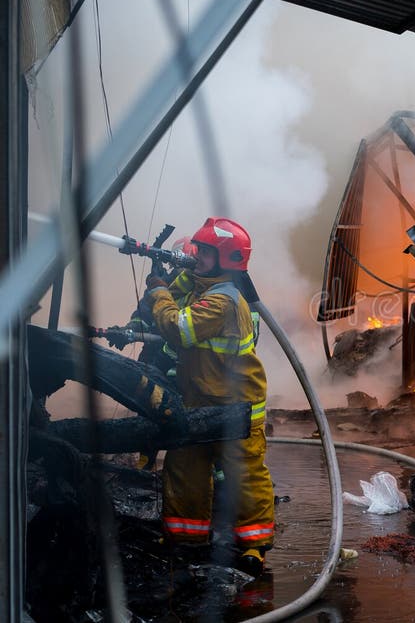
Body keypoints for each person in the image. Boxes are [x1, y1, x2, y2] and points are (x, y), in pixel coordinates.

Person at [143, 216, 274, 576]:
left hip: (235, 405)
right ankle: (187, 540)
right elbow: (184, 291)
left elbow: (177, 328)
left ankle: (254, 546)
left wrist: (158, 291)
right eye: (195, 249)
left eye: (204, 251)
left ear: (226, 259)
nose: (196, 255)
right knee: (185, 468)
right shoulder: (205, 286)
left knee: (244, 475)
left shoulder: (225, 301)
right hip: (199, 398)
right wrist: (173, 269)